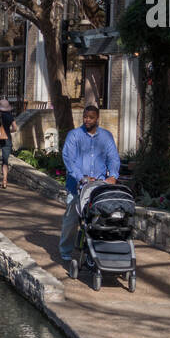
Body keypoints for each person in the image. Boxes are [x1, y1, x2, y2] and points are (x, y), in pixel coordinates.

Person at [59, 103, 120, 268]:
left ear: (97, 118)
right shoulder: (74, 135)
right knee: (71, 220)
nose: (87, 120)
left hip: (99, 187)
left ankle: (95, 251)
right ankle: (65, 250)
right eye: (85, 117)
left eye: (91, 117)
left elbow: (113, 157)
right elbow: (69, 160)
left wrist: (113, 175)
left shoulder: (106, 137)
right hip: (77, 186)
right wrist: (81, 177)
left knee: (97, 220)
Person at [0, 97, 16, 189]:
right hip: (7, 139)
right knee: (5, 160)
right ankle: (5, 180)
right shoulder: (10, 116)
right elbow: (15, 128)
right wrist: (8, 131)